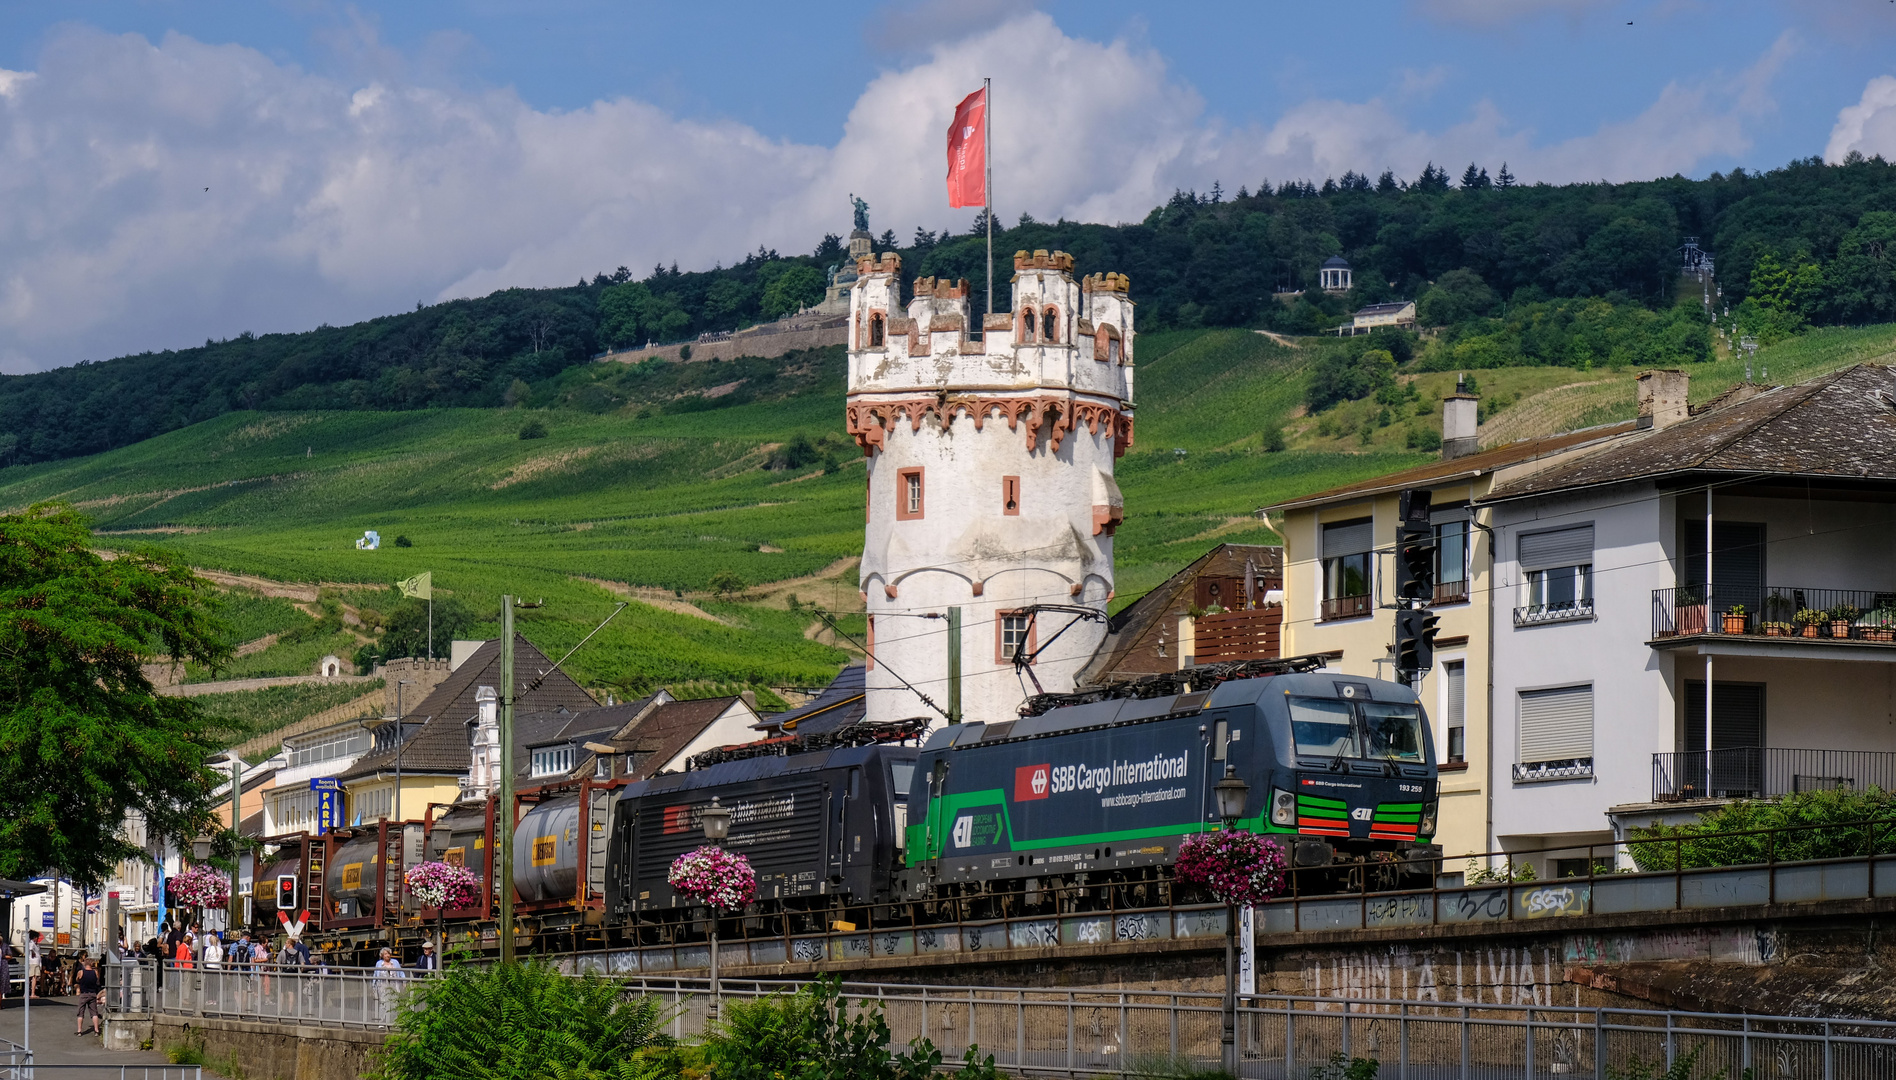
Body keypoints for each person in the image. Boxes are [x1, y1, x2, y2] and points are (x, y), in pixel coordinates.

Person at [73, 957, 103, 1037]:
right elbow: (97, 981)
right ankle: (96, 1030)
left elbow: (77, 980)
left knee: (80, 1013)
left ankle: (79, 1031)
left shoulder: (81, 972)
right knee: (94, 1013)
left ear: (85, 964)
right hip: (93, 993)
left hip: (84, 994)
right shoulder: (95, 972)